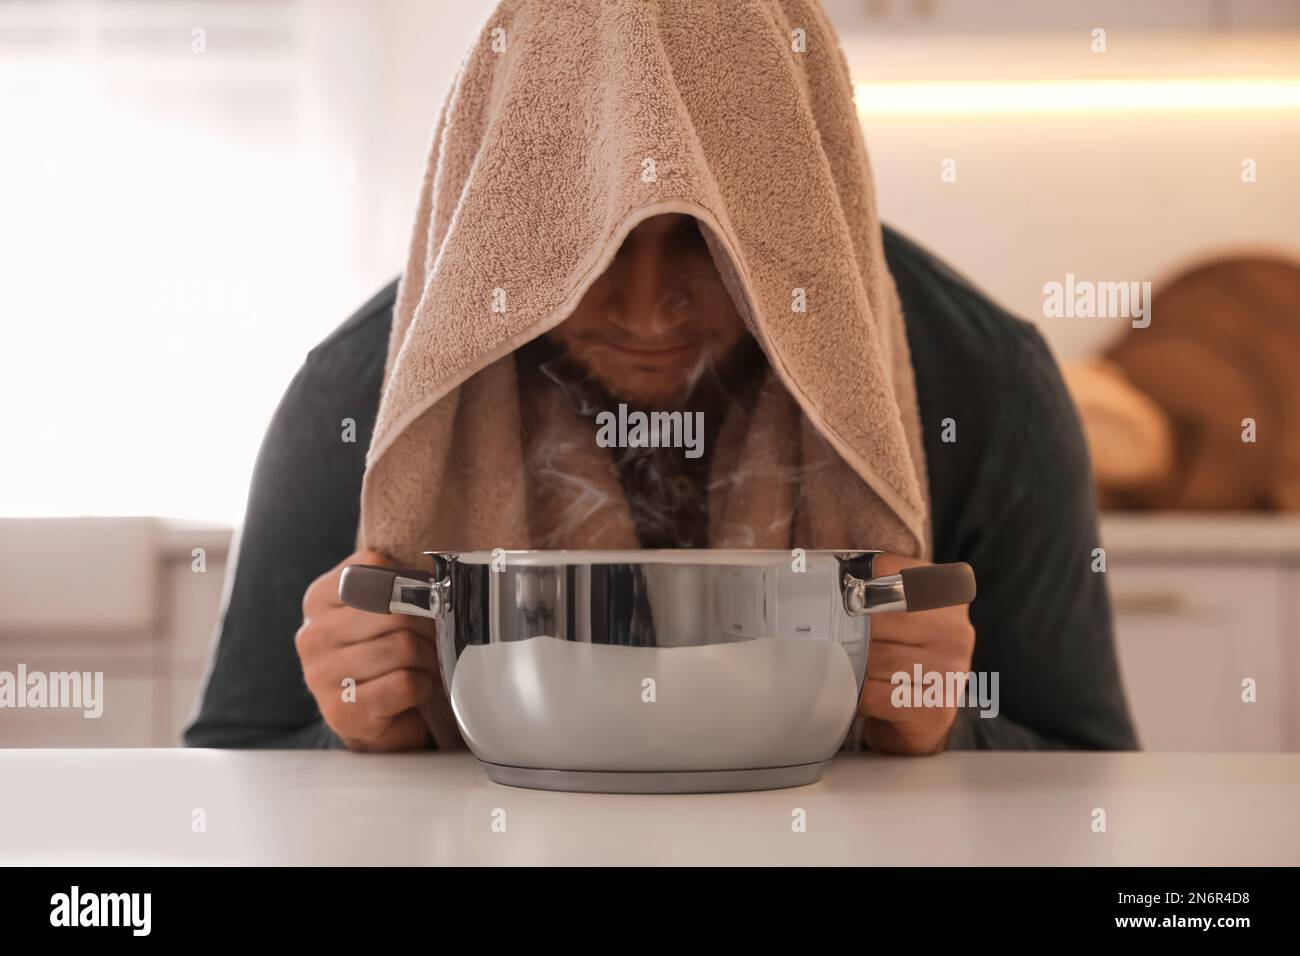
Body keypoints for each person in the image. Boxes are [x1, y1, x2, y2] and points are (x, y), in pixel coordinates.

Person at [184, 3, 1137, 756]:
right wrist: (358, 727)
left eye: (701, 238)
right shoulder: (368, 396)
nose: (645, 311)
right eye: (587, 236)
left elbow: (1090, 771)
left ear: (790, 208)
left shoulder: (982, 387)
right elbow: (234, 753)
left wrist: (949, 723)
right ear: (519, 208)